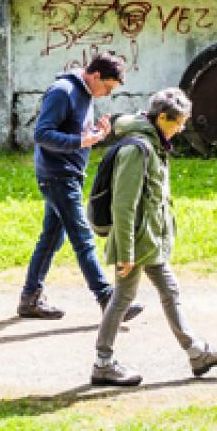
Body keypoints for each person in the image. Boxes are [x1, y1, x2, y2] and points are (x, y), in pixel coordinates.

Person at [91, 87, 217, 387]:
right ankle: (103, 363)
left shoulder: (154, 144)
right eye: (178, 122)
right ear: (162, 117)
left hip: (150, 240)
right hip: (135, 241)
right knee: (122, 298)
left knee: (169, 290)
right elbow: (124, 205)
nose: (182, 128)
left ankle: (197, 353)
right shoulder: (137, 150)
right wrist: (126, 253)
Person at [19, 52, 141, 323]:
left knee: (52, 238)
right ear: (95, 75)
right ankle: (108, 299)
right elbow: (41, 133)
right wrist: (80, 142)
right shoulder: (63, 91)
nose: (107, 93)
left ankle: (30, 298)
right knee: (83, 239)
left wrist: (95, 135)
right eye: (108, 87)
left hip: (67, 174)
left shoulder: (84, 92)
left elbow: (75, 132)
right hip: (57, 175)